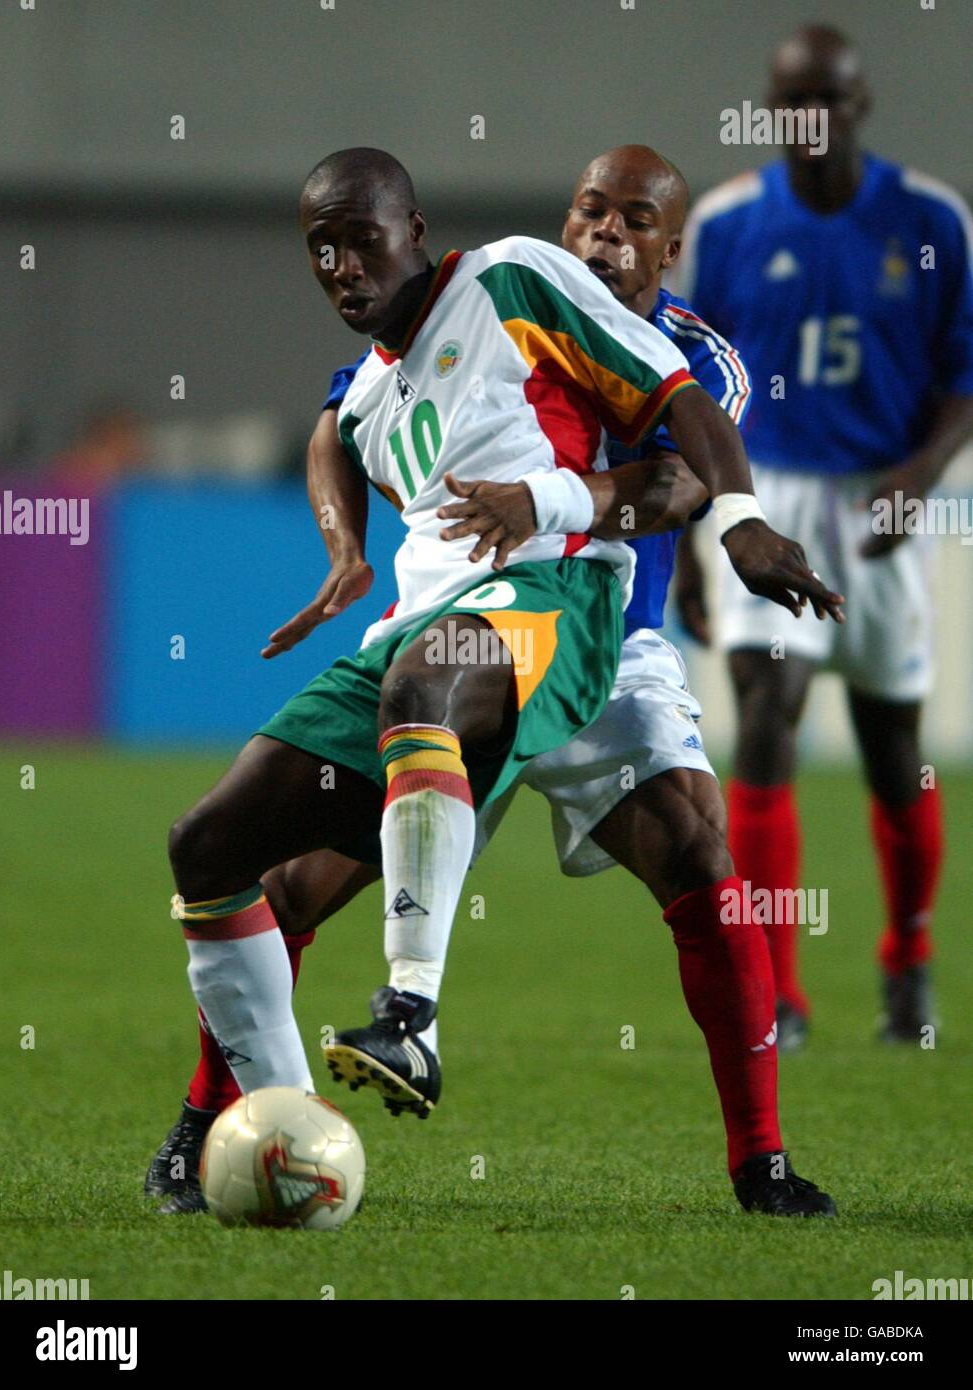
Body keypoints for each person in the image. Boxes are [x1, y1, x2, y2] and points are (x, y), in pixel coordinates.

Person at [149, 145, 841, 1218]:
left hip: (602, 633)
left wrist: (569, 503)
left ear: (670, 246)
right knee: (278, 873)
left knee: (700, 850)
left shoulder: (689, 352)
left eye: (633, 220)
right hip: (448, 630)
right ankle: (229, 1121)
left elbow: (681, 479)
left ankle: (763, 1161)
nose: (605, 235)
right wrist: (345, 544)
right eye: (588, 210)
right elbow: (343, 419)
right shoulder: (458, 327)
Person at [673, 25, 973, 1050]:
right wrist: (688, 544)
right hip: (764, 493)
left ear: (861, 105)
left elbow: (966, 379)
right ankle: (777, 986)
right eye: (790, 99)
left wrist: (923, 475)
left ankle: (907, 957)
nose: (808, 119)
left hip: (882, 493)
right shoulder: (725, 223)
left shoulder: (931, 218)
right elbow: (679, 390)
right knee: (766, 713)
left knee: (895, 751)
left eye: (827, 100)